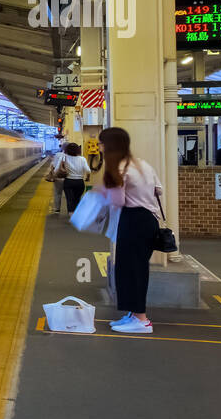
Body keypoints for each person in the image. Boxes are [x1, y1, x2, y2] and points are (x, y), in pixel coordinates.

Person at [99, 127, 162, 335]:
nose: (98, 147)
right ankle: (134, 315)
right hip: (147, 220)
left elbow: (118, 201)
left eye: (101, 143)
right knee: (134, 268)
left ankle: (142, 320)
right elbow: (159, 190)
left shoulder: (118, 168)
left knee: (130, 270)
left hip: (133, 220)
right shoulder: (141, 164)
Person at [60, 143, 91, 213]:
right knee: (77, 199)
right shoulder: (82, 159)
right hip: (79, 182)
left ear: (67, 150)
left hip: (68, 182)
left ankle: (71, 215)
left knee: (70, 199)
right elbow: (88, 170)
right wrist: (88, 177)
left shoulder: (64, 157)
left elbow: (57, 169)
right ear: (78, 150)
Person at [45, 140, 68, 213]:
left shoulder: (58, 154)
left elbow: (54, 165)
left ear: (62, 148)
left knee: (57, 193)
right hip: (69, 178)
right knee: (69, 194)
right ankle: (70, 209)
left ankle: (57, 209)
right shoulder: (73, 156)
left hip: (58, 177)